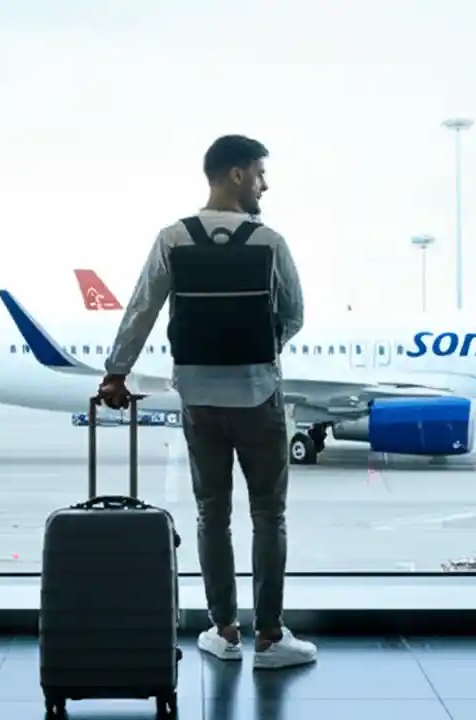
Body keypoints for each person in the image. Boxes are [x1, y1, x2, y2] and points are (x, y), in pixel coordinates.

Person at [96, 134, 317, 670]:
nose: (265, 185)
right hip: (258, 395)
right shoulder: (269, 241)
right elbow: (294, 313)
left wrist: (116, 372)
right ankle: (270, 637)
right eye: (260, 173)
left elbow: (142, 309)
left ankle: (225, 630)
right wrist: (263, 351)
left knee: (211, 514)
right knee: (269, 515)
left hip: (197, 397)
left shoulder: (173, 239)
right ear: (237, 174)